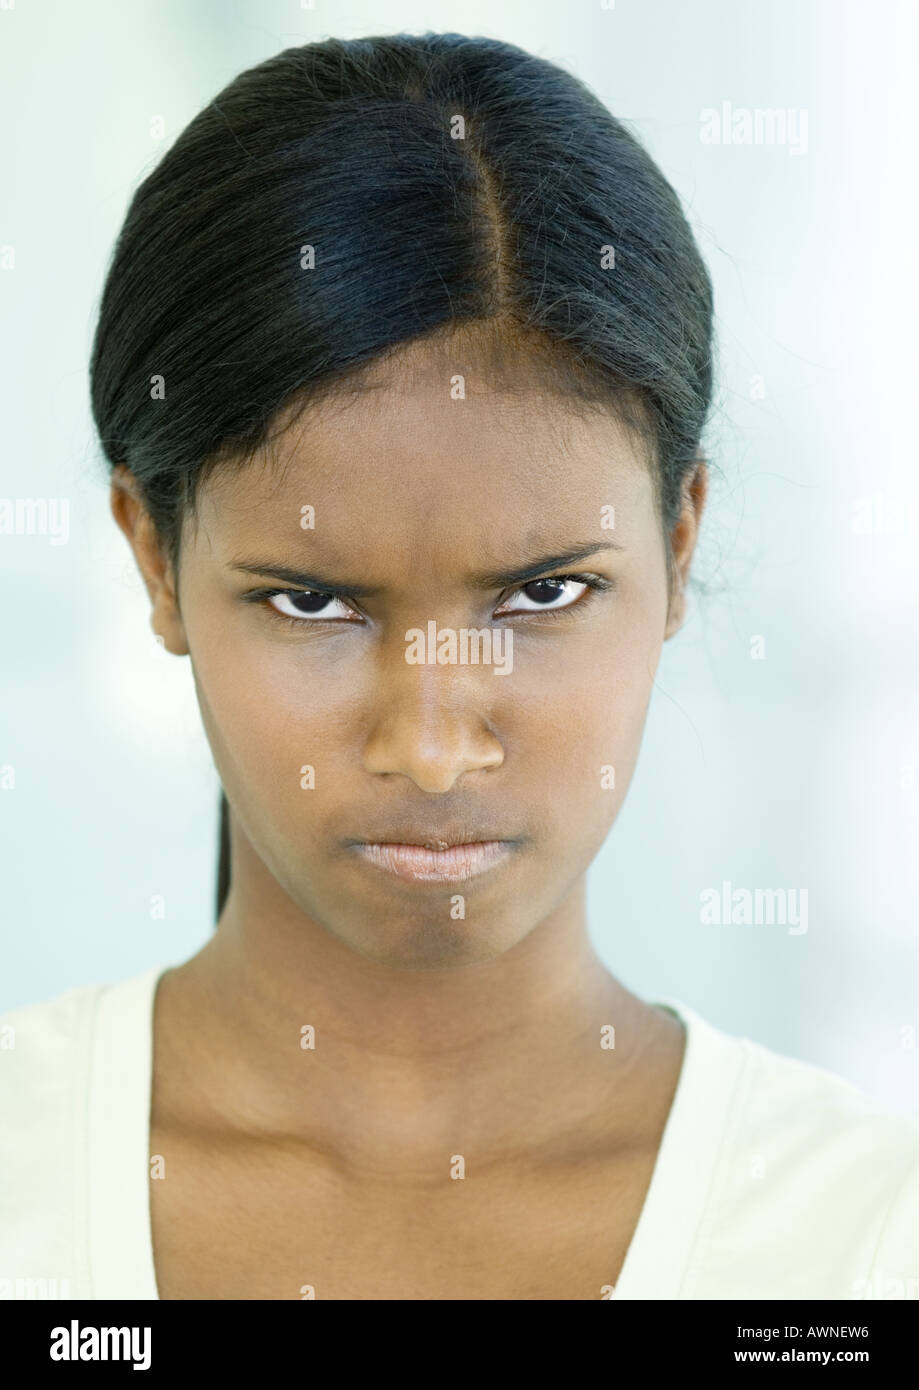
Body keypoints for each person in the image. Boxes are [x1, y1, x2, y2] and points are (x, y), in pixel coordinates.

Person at [1, 32, 916, 1302]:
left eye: (544, 591)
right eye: (313, 601)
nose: (431, 748)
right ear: (153, 557)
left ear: (680, 537)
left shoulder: (866, 1244)